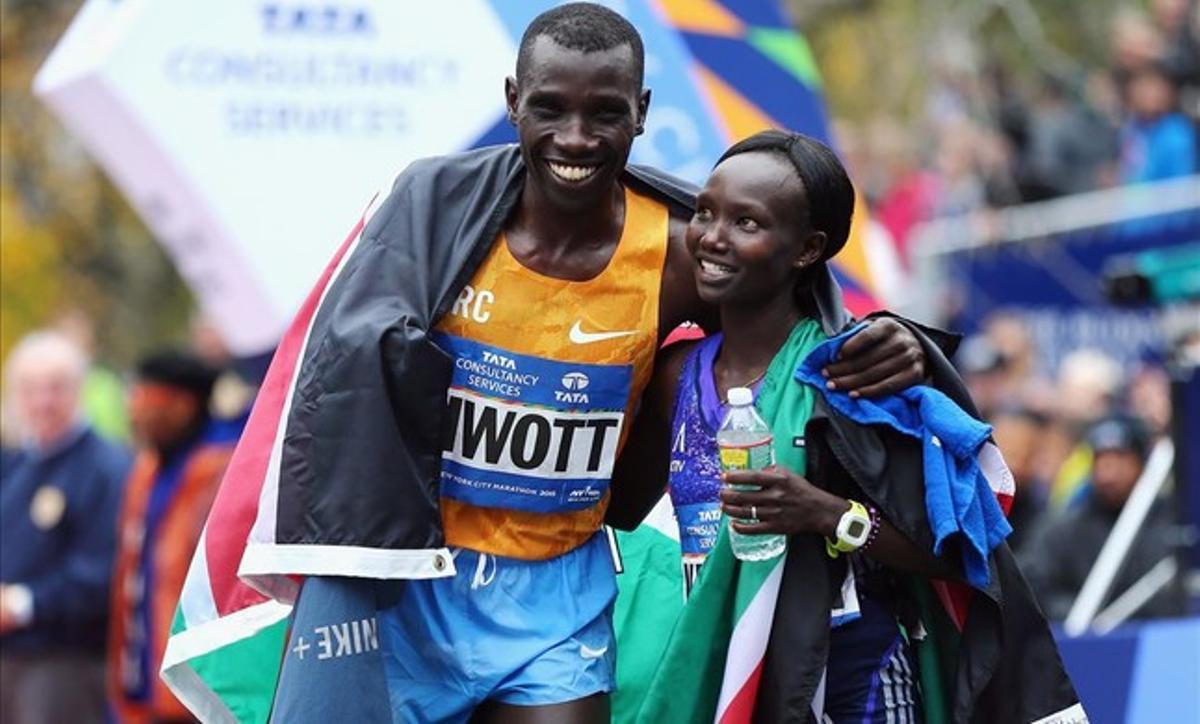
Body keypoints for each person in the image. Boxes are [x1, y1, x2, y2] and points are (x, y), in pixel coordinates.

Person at [176, 5, 945, 722]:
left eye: (605, 114)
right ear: (513, 101)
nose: (575, 139)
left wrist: (896, 341)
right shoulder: (436, 214)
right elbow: (333, 366)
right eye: (549, 108)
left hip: (557, 595)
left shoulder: (679, 254)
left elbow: (794, 319)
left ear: (641, 112)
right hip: (415, 585)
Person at [618, 131, 1082, 722]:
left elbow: (957, 551)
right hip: (729, 678)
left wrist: (826, 513)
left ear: (808, 249)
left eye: (746, 223)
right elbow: (620, 512)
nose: (712, 236)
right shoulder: (675, 375)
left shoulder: (849, 373)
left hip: (854, 686)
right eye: (706, 213)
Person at [0, 331, 131, 724]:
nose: (43, 401)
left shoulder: (107, 469)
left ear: (78, 389)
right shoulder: (17, 463)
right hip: (12, 655)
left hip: (66, 662)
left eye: (55, 387)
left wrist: (21, 604)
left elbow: (103, 572)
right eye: (30, 389)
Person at [109, 351, 239, 723]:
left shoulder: (223, 469)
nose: (136, 413)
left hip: (201, 681)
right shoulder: (146, 469)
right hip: (141, 671)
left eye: (147, 401)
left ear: (183, 405)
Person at [1019, 414, 1185, 621]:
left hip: (1160, 635)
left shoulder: (1174, 523)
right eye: (1101, 459)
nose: (1108, 473)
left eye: (1120, 458)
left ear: (1141, 463)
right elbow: (1032, 587)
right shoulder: (1063, 529)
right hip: (1086, 637)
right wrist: (1079, 616)